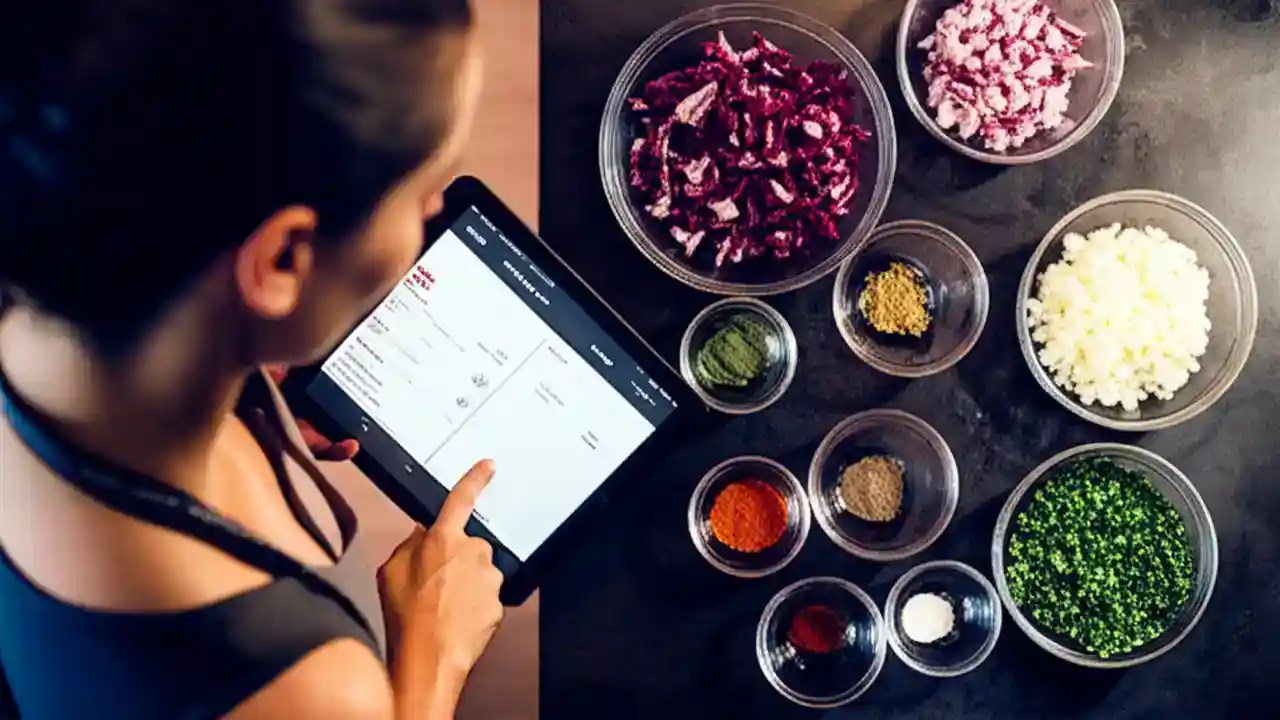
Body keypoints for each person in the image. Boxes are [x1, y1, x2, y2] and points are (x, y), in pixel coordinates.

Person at [0, 1, 507, 718]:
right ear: (281, 259)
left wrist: (235, 385)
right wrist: (429, 661)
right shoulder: (305, 687)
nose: (432, 216)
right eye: (424, 190)